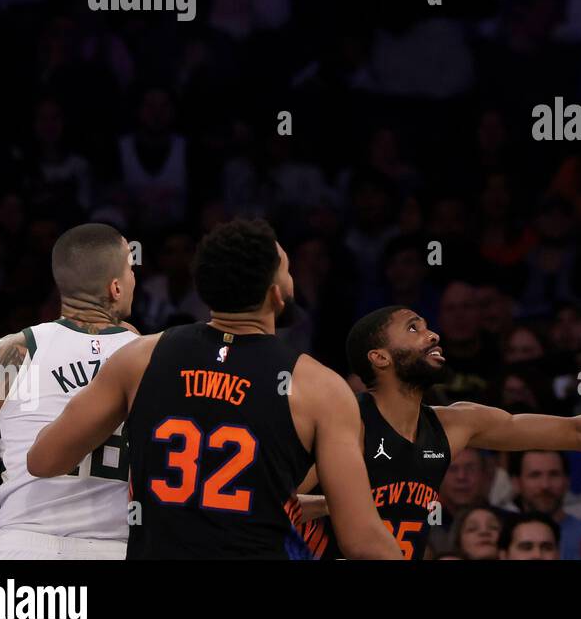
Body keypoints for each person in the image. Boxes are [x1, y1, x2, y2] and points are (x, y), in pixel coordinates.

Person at [27, 219, 400, 560]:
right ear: (276, 294)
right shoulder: (320, 388)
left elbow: (43, 460)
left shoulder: (139, 357)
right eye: (286, 268)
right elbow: (362, 540)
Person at [300, 305, 581, 560]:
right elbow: (275, 501)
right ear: (380, 358)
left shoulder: (455, 423)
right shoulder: (347, 422)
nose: (432, 334)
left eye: (427, 326)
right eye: (413, 328)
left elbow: (579, 433)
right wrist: (338, 504)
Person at [0, 223, 140, 560]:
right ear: (116, 288)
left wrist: (11, 525)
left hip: (23, 546)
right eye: (130, 271)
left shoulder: (6, 353)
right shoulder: (151, 356)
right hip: (115, 547)